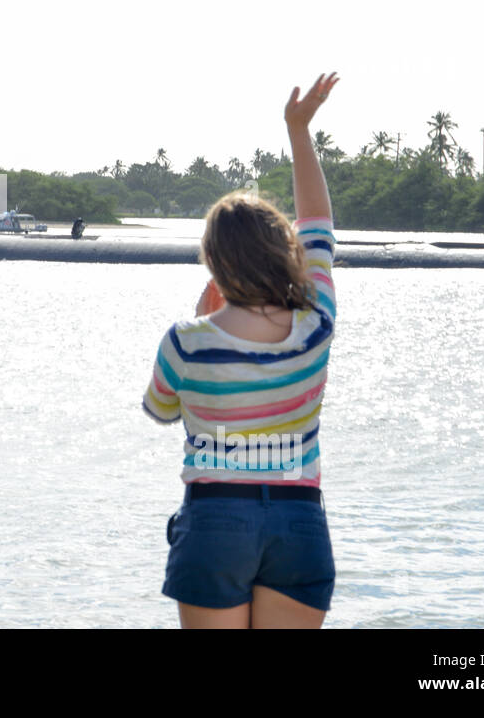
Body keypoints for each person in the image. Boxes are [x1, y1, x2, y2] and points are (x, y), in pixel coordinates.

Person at [143, 72, 340, 629]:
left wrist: (207, 317)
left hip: (215, 517)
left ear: (215, 264)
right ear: (284, 250)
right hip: (300, 521)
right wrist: (298, 131)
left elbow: (158, 411)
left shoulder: (188, 340)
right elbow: (320, 226)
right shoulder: (315, 323)